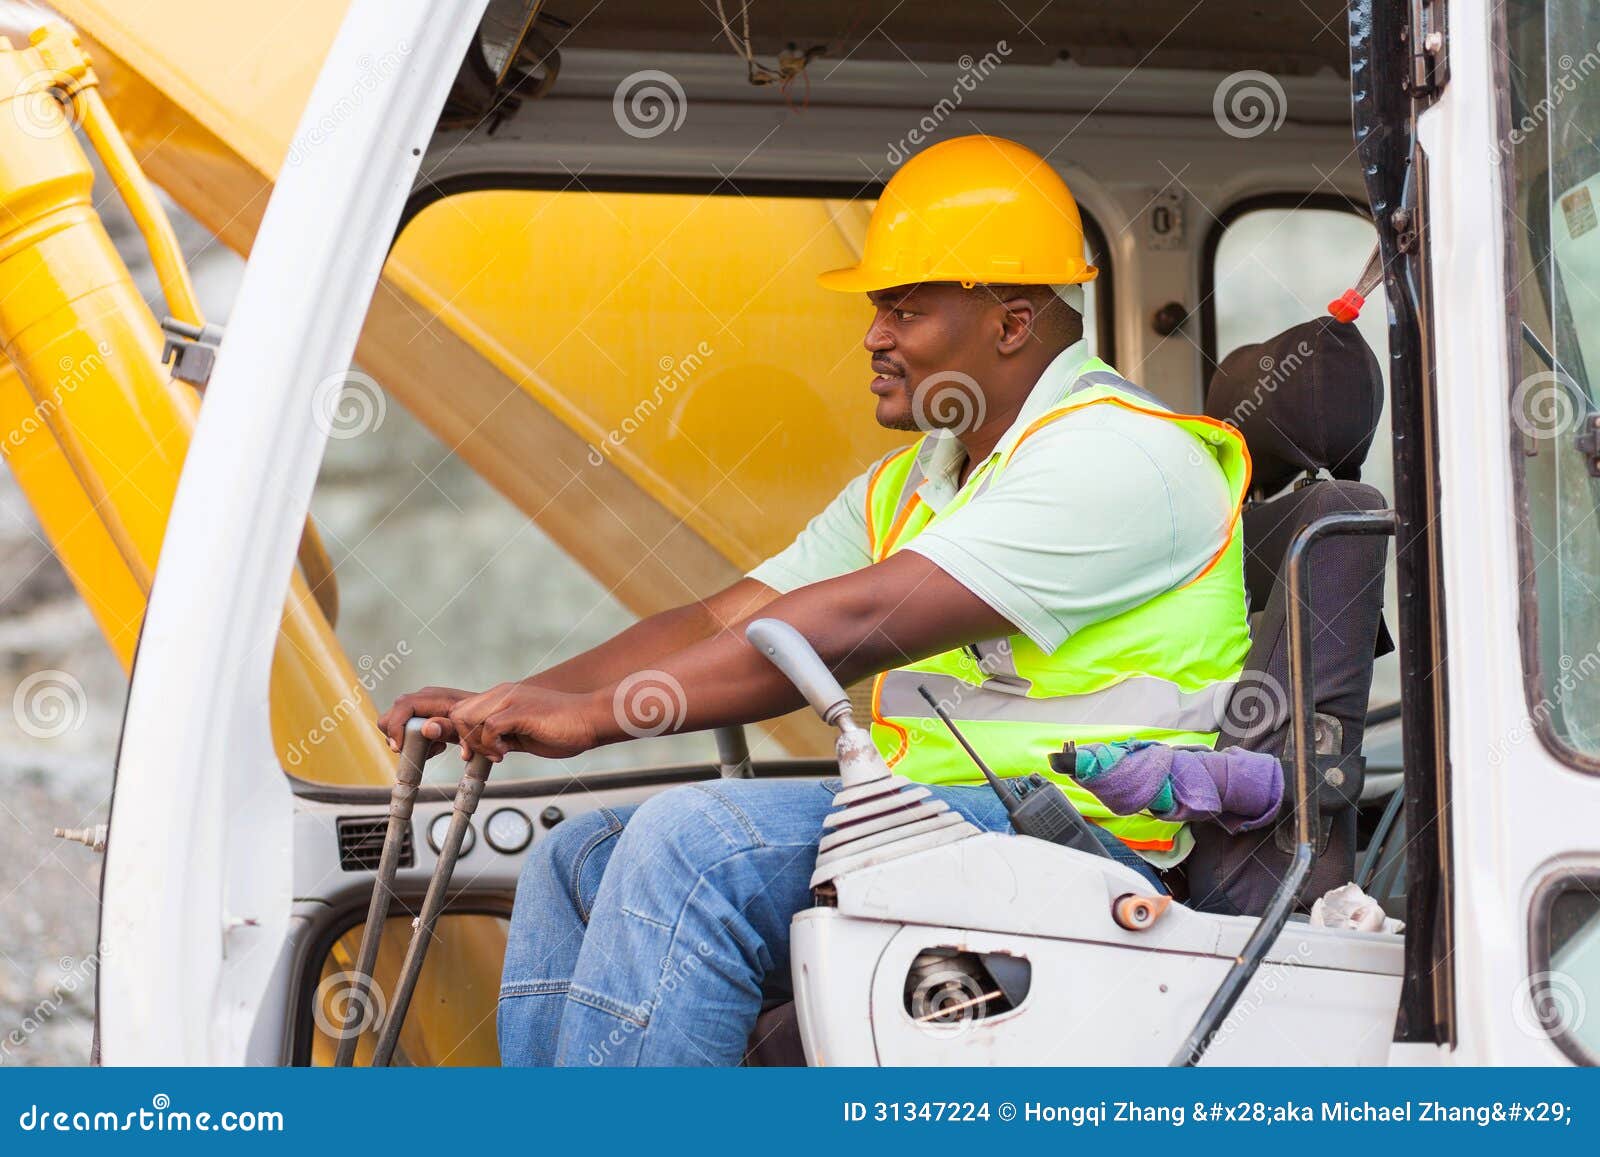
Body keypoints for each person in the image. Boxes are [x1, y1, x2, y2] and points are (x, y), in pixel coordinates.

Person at [378, 134, 1251, 1066]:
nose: (873, 337)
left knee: (693, 846)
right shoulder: (916, 481)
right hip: (959, 822)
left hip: (1089, 849)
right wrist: (516, 700)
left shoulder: (1121, 458)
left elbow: (844, 627)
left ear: (1010, 322)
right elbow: (720, 618)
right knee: (575, 857)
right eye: (878, 309)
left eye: (904, 311)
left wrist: (594, 718)